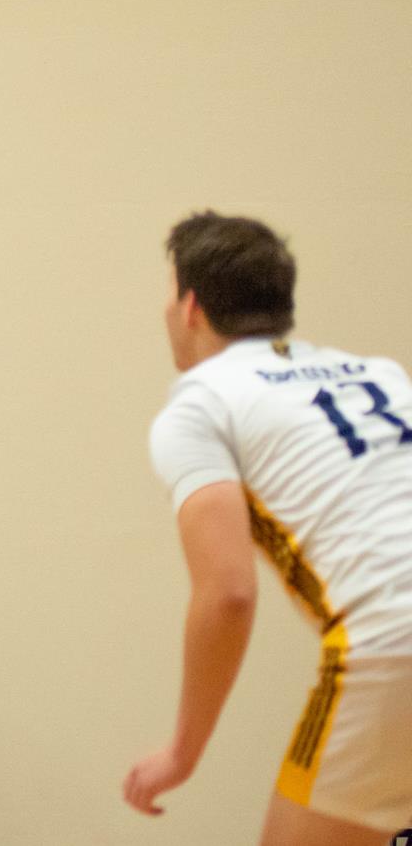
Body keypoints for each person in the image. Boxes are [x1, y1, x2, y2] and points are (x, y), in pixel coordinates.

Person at [128, 212, 412, 843]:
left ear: (190, 305)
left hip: (392, 649)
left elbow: (228, 593)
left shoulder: (201, 403)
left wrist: (181, 753)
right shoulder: (382, 375)